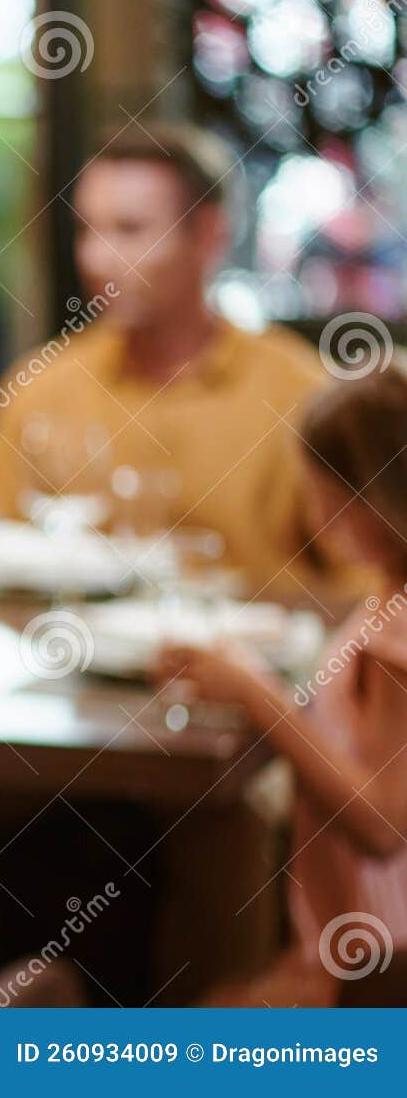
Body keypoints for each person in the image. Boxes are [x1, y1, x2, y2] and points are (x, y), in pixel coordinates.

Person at [0, 124, 339, 596]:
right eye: (87, 229)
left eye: (129, 230)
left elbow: (374, 590)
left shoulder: (304, 396)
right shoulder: (41, 385)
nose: (96, 259)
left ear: (208, 234)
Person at [157, 366, 407, 1006]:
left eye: (327, 494)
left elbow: (383, 825)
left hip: (379, 968)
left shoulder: (395, 637)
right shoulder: (386, 594)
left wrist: (257, 693)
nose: (315, 515)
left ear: (374, 496)